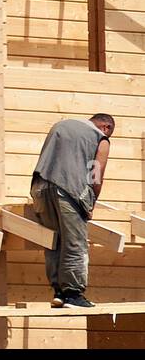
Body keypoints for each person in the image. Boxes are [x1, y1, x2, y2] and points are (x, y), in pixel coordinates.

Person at [30, 113, 114, 308]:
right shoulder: (99, 137)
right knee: (75, 243)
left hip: (41, 188)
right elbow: (96, 174)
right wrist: (91, 203)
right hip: (69, 189)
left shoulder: (61, 125)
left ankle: (59, 292)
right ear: (106, 127)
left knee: (54, 242)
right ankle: (73, 294)